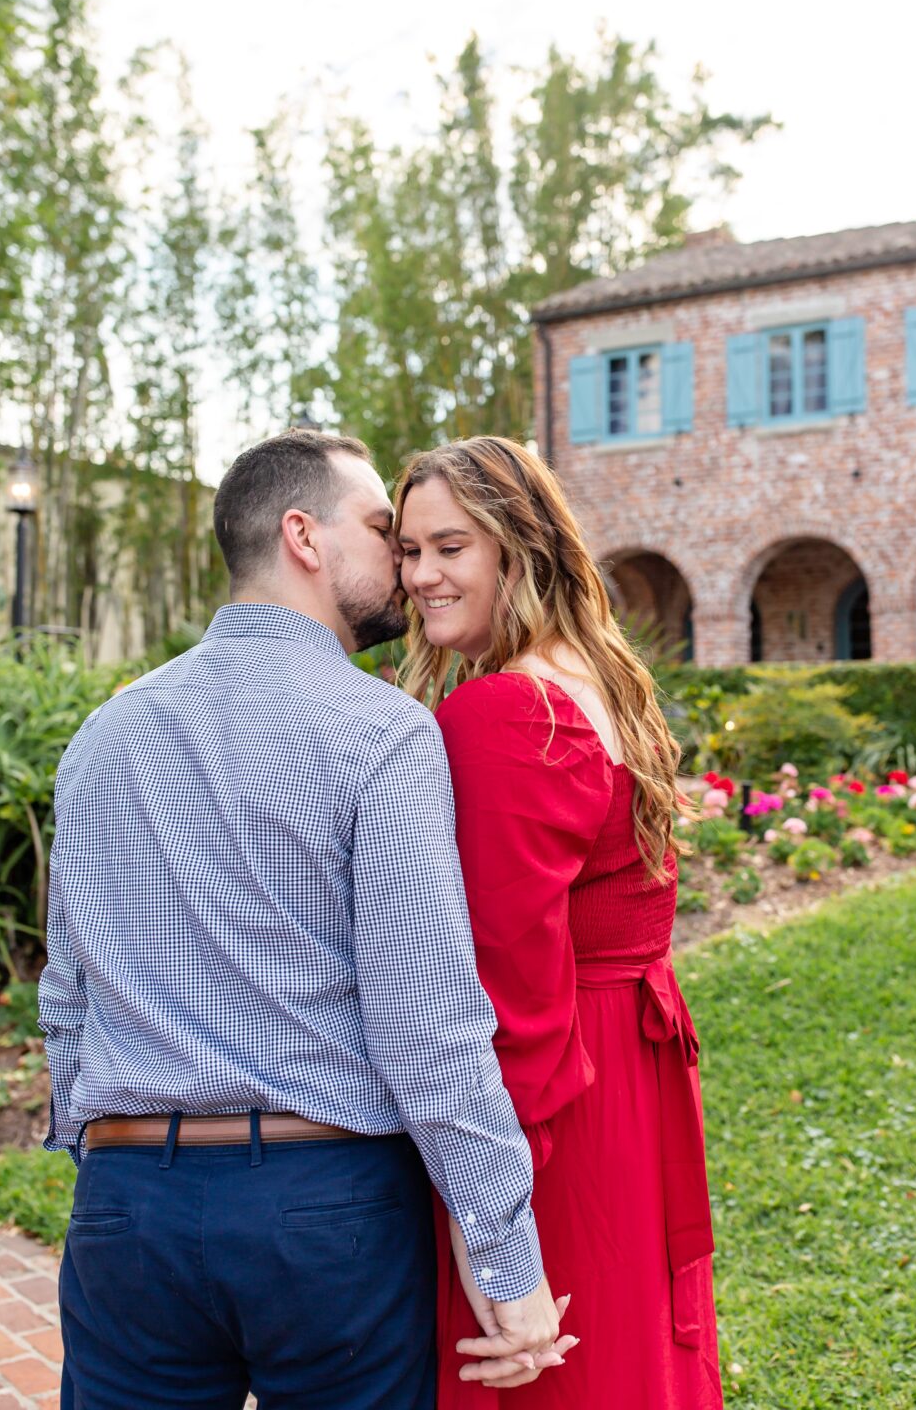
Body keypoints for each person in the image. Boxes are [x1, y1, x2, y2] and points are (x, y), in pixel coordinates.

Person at [39, 429, 571, 1410]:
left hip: (125, 1205)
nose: (407, 568)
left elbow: (64, 992)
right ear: (303, 537)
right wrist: (505, 1253)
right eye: (383, 530)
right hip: (322, 1205)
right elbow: (427, 1029)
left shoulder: (102, 735)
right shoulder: (380, 731)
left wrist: (108, 1151)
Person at [395, 435, 723, 1410]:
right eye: (407, 550)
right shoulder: (597, 679)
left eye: (449, 547)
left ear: (518, 545)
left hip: (561, 1105)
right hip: (624, 1075)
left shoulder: (505, 712)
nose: (419, 575)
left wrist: (488, 1217)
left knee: (554, 1369)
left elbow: (507, 990)